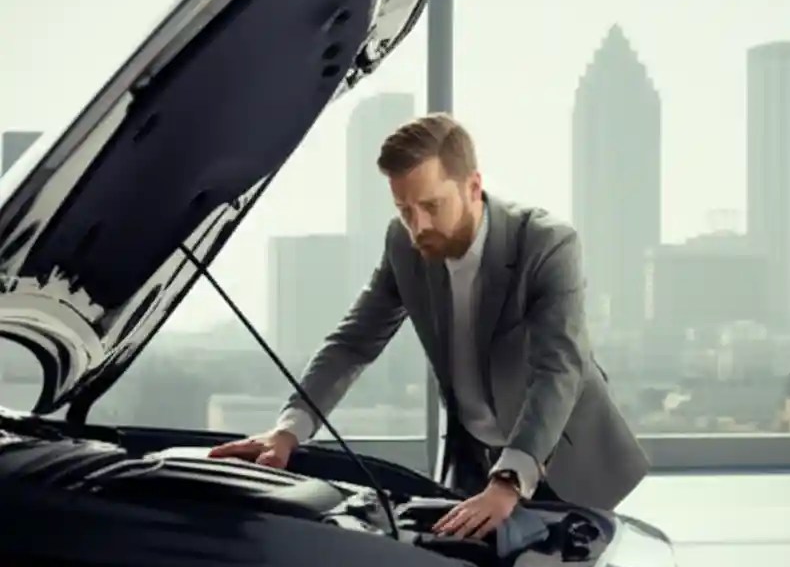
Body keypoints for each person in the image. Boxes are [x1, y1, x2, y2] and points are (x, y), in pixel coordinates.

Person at [209, 113, 649, 539]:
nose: (418, 225)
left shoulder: (546, 243)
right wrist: (289, 429)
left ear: (473, 187)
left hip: (564, 456)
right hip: (474, 458)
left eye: (432, 206)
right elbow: (353, 342)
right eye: (404, 209)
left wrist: (510, 482)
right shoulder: (404, 243)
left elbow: (559, 368)